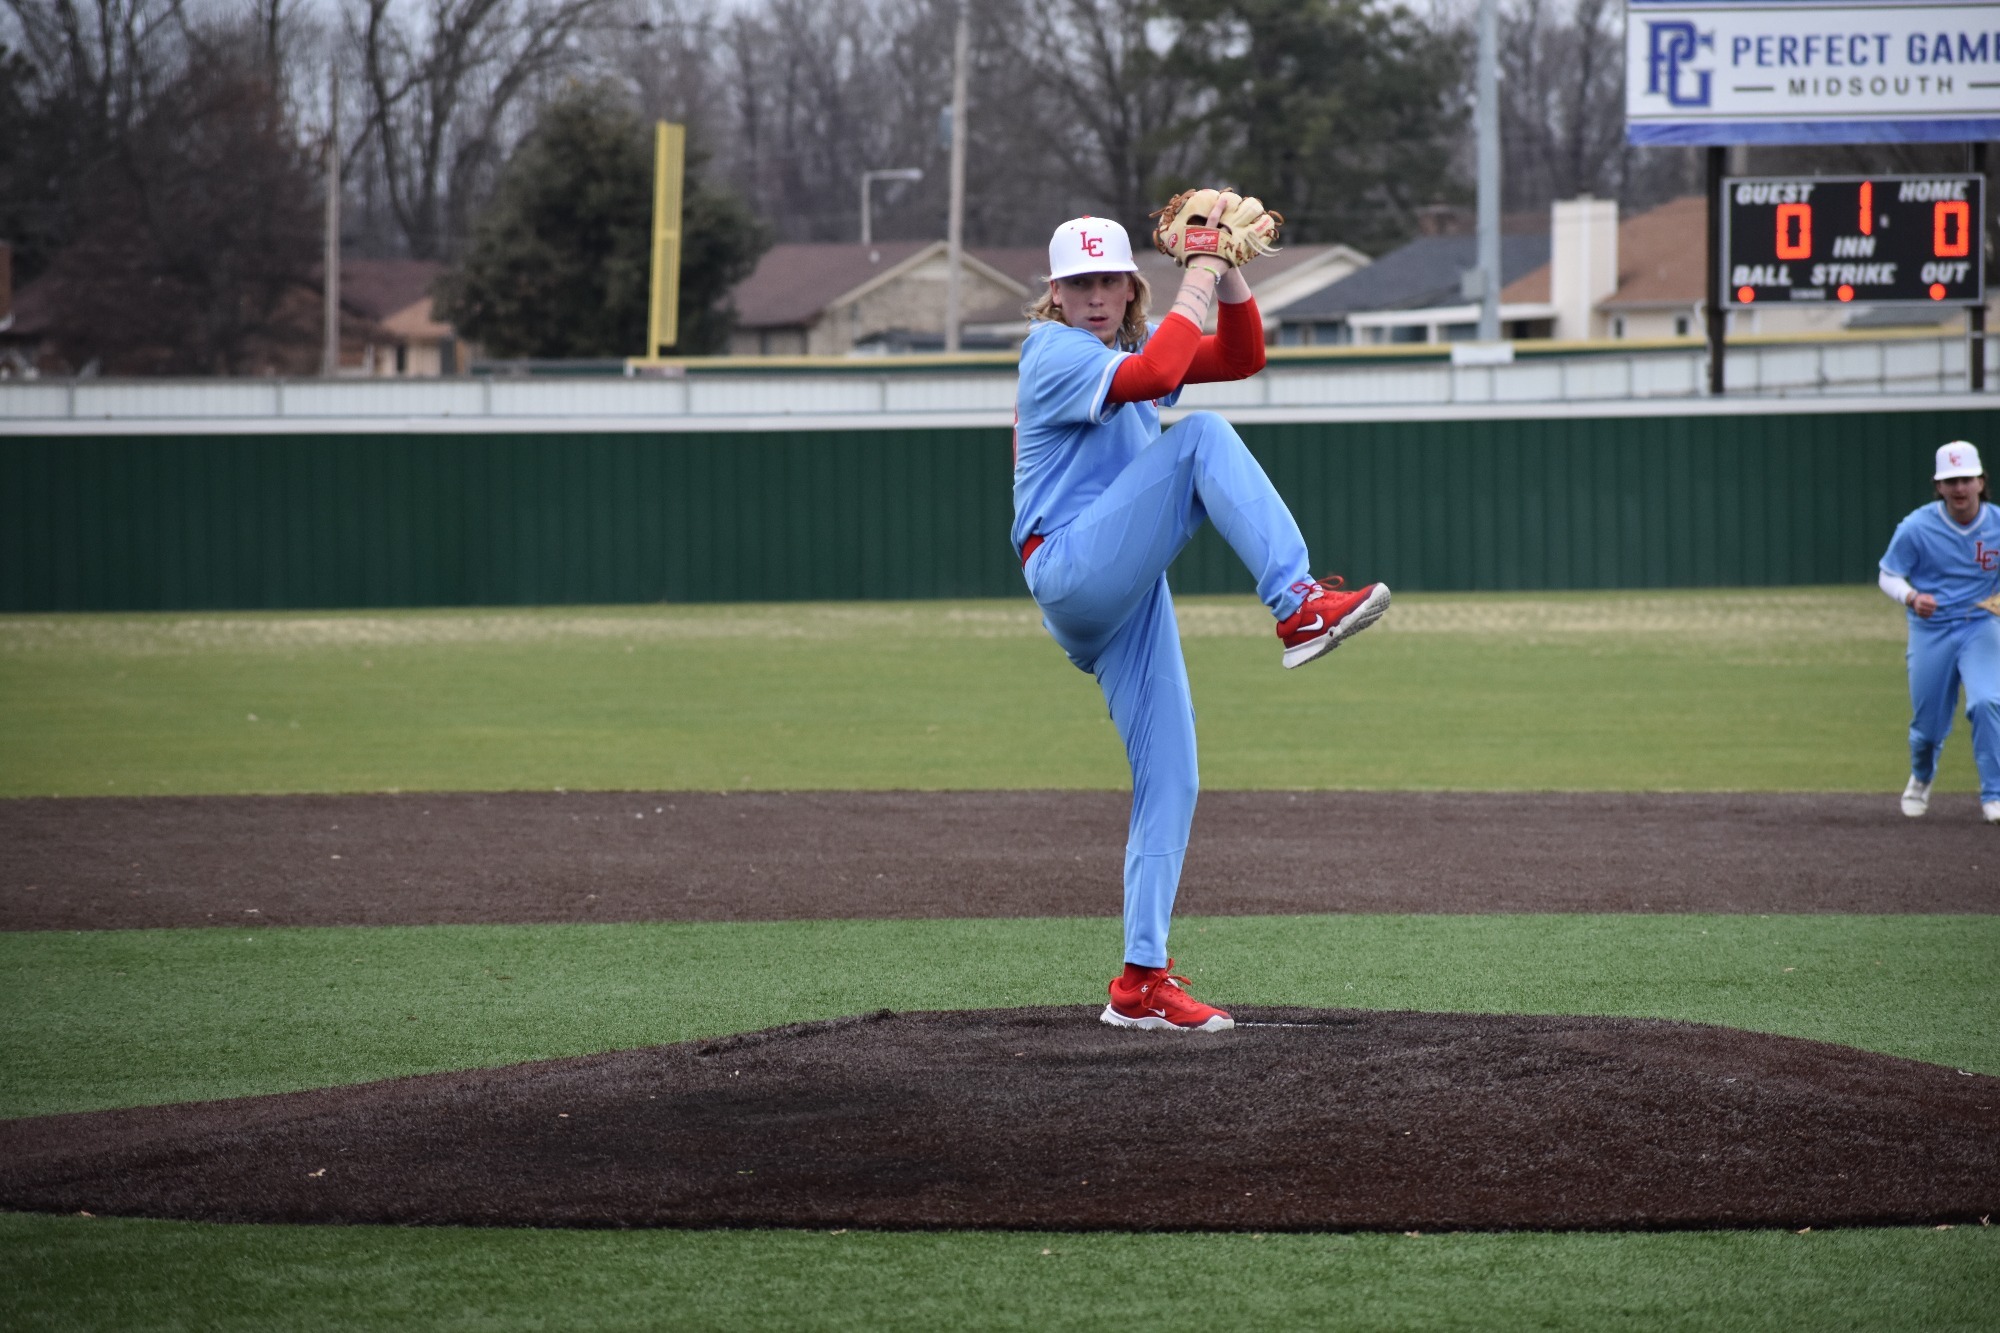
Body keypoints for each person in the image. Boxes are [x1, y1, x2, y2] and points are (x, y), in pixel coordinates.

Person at [1011, 209, 1391, 1033]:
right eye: (1079, 283)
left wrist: (1232, 271)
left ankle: (1141, 980)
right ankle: (1297, 607)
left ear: (1128, 283)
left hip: (1123, 590)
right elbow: (1156, 376)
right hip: (1071, 566)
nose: (1096, 295)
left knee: (1174, 778)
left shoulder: (1121, 352)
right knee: (1201, 441)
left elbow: (1242, 357)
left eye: (1108, 278)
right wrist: (1201, 268)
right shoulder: (1053, 353)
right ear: (1055, 294)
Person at [1878, 440, 2000, 824]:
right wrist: (1912, 596)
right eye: (1951, 481)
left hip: (1980, 624)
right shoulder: (1917, 527)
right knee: (1927, 729)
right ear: (1939, 486)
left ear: (1981, 481)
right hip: (1932, 628)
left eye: (1966, 479)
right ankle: (1922, 775)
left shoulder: (1997, 524)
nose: (1959, 489)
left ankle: (1994, 793)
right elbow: (1888, 573)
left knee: (1987, 702)